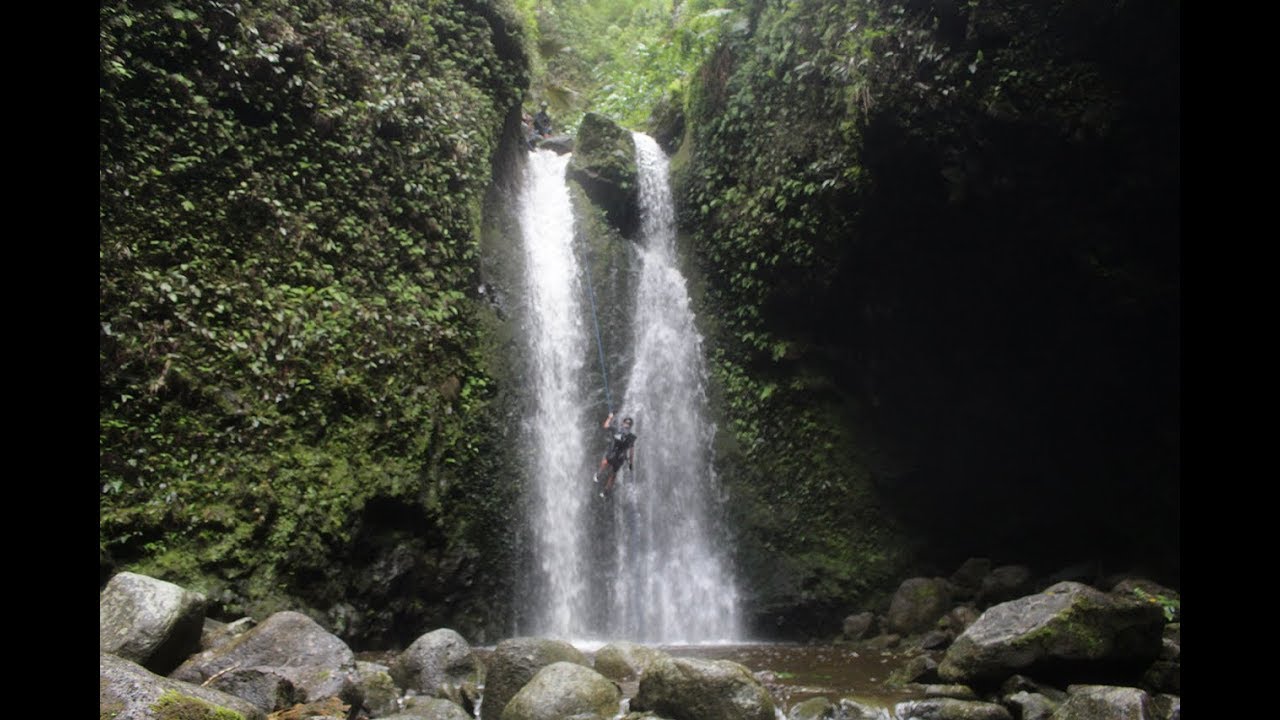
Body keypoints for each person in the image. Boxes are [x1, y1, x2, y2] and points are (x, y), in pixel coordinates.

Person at [594, 412, 636, 496]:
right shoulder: (630, 436)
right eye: (626, 423)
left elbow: (605, 426)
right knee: (612, 473)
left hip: (615, 455)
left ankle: (599, 478)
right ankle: (604, 488)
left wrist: (609, 417)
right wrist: (631, 463)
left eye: (628, 424)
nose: (627, 425)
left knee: (607, 464)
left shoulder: (619, 430)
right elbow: (631, 451)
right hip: (619, 457)